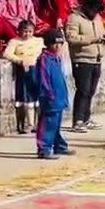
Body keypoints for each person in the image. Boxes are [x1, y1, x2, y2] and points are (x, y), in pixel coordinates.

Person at [64, 0, 105, 133]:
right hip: (82, 58)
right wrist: (92, 39)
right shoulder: (74, 18)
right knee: (82, 90)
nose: (95, 13)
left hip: (96, 57)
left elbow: (101, 34)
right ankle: (77, 120)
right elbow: (71, 38)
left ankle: (86, 118)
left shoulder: (97, 18)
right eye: (94, 10)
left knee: (91, 91)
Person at [34, 29, 72, 160]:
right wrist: (49, 93)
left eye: (60, 44)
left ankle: (59, 146)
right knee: (48, 123)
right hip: (50, 96)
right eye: (55, 44)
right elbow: (44, 78)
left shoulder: (56, 58)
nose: (58, 46)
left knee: (56, 123)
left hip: (59, 96)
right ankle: (44, 148)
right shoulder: (44, 59)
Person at [3, 19, 44, 134]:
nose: (27, 34)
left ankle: (35, 123)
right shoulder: (14, 41)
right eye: (25, 31)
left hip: (36, 69)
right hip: (23, 70)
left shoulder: (39, 41)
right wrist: (19, 61)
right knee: (23, 96)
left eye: (30, 31)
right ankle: (23, 124)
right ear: (19, 31)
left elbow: (43, 52)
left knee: (36, 96)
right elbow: (7, 53)